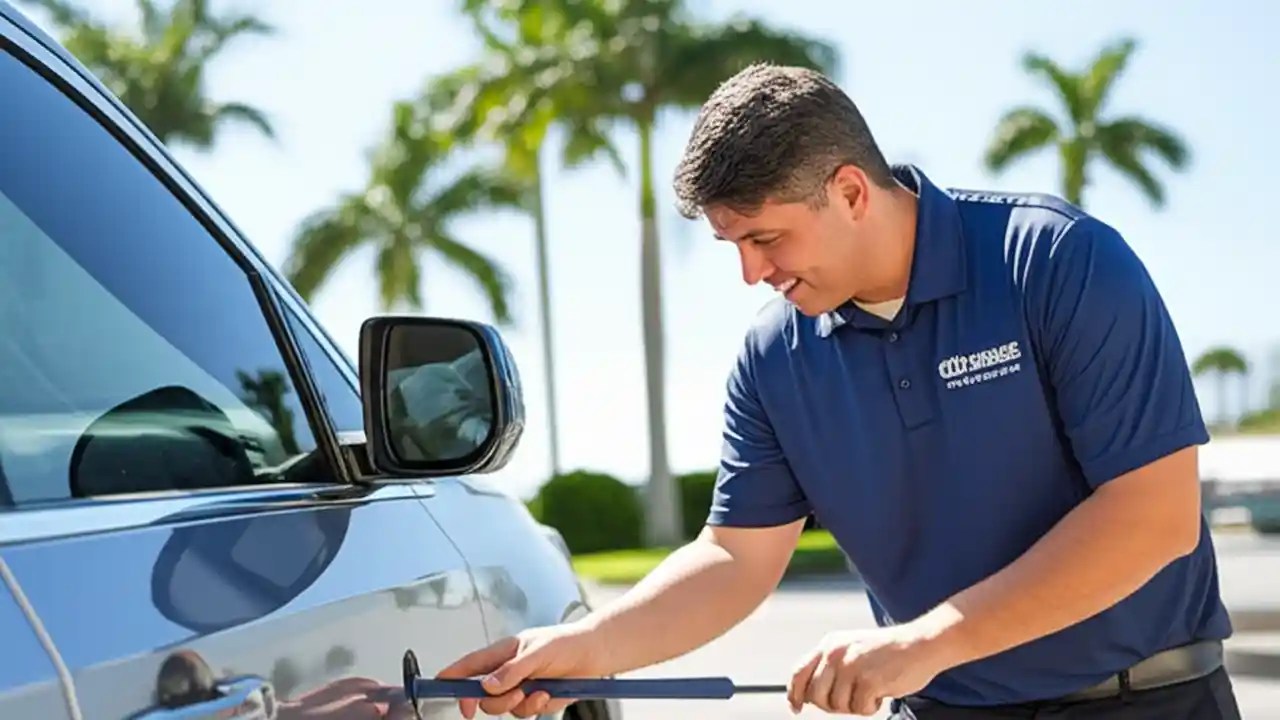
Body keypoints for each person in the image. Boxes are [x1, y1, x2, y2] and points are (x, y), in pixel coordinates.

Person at [435, 63, 1241, 719]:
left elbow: (1153, 518)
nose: (752, 270)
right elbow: (734, 558)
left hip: (1149, 702)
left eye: (765, 236)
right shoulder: (773, 357)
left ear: (852, 192)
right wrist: (582, 649)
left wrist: (927, 642)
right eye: (733, 244)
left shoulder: (1057, 262)